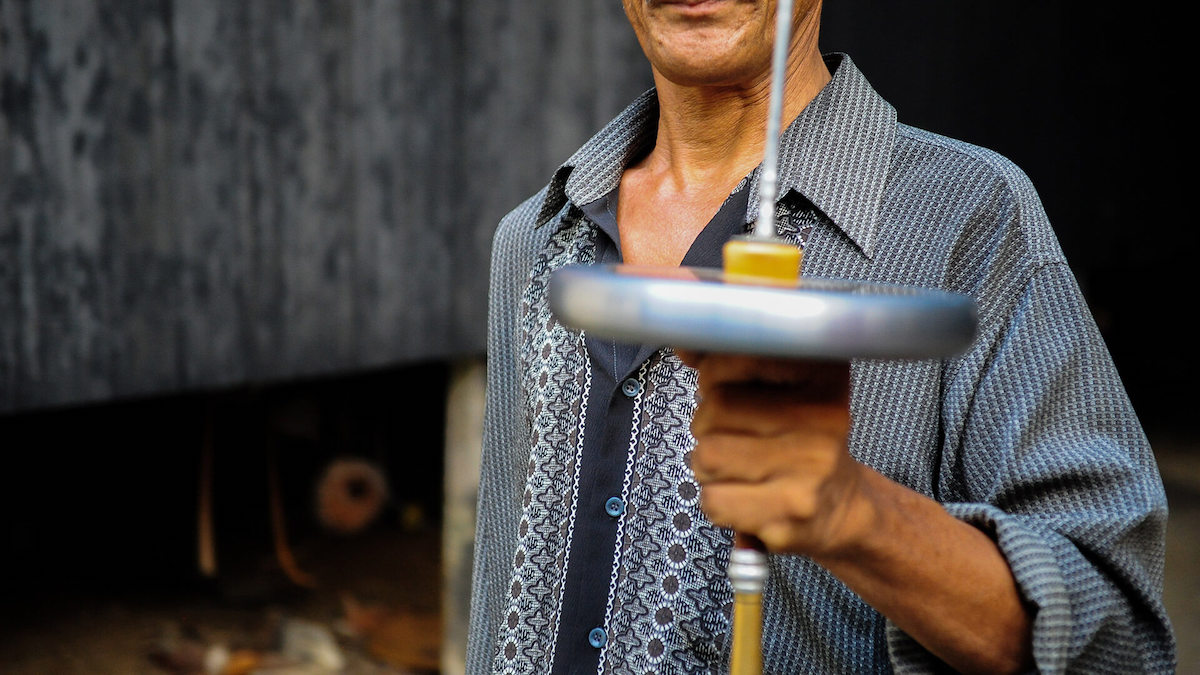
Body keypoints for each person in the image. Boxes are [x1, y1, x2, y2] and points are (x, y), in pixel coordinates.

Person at [466, 1, 1176, 672]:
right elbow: (500, 590)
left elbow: (1119, 639)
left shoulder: (973, 220)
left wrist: (856, 513)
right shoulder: (533, 237)